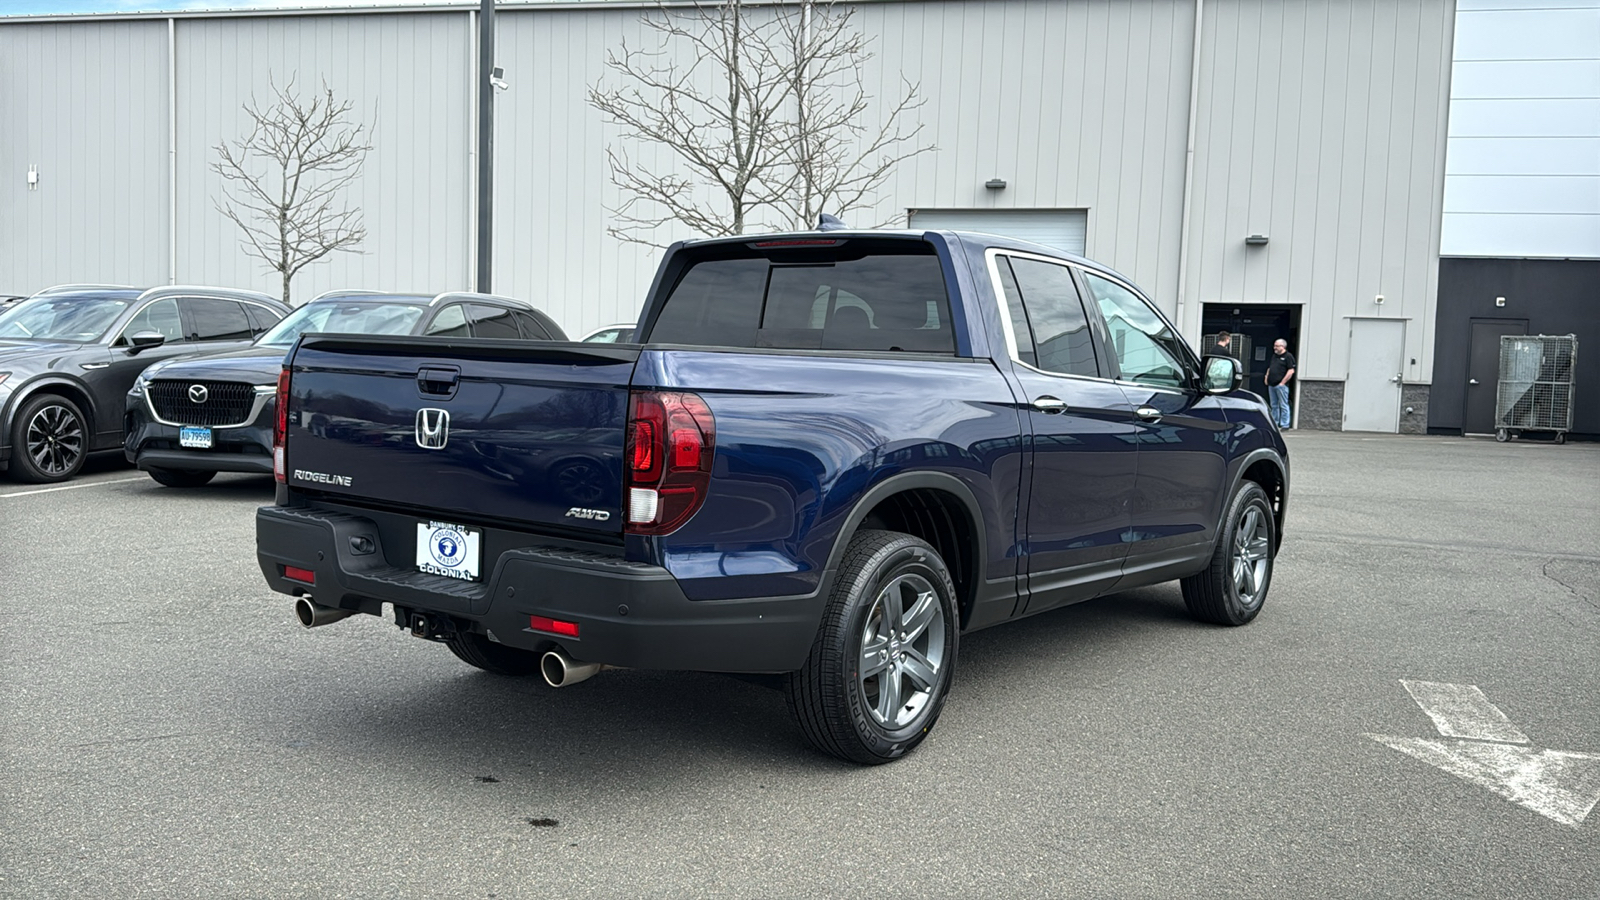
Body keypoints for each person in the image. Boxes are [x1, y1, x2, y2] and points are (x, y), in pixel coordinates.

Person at [1265, 339, 1296, 429]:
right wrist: (1266, 377)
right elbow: (1270, 367)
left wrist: (1283, 382)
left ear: (1283, 347)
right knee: (1274, 405)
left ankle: (1285, 424)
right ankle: (1275, 422)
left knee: (1283, 405)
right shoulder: (1274, 356)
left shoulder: (1288, 356)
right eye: (1274, 346)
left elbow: (1291, 371)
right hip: (1271, 384)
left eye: (1277, 346)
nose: (1275, 348)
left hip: (1281, 385)